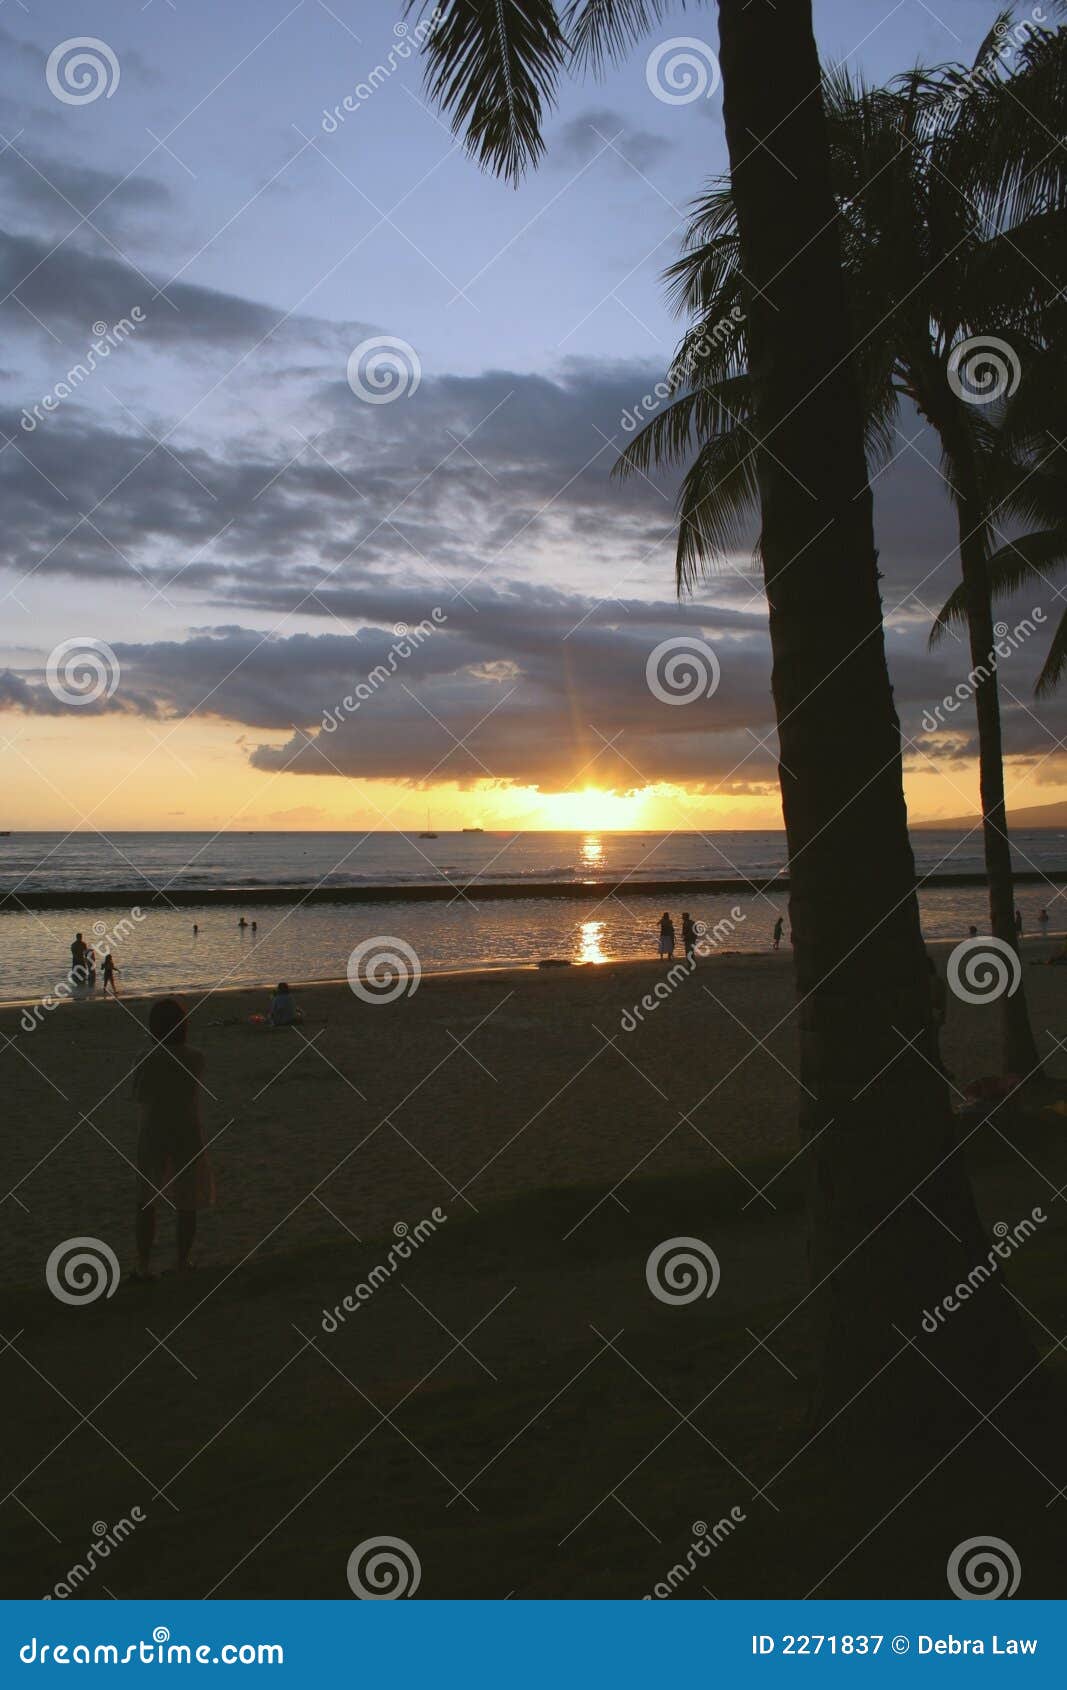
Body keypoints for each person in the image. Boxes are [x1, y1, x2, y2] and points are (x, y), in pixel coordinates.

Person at [132, 997, 214, 1279]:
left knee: (146, 1198)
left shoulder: (146, 1058)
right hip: (186, 1129)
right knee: (187, 1199)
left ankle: (143, 1265)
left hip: (153, 1129)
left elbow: (139, 1095)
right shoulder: (196, 1057)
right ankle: (182, 1261)